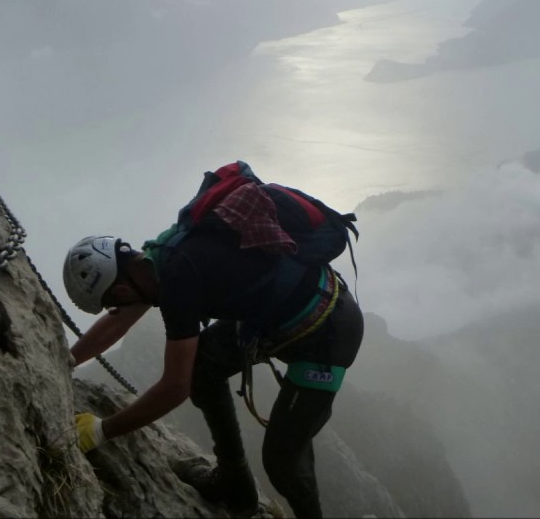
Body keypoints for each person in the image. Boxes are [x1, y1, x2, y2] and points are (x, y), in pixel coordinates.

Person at [64, 187, 364, 519]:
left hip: (329, 335)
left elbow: (175, 387)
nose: (116, 309)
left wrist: (102, 430)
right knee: (202, 367)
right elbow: (117, 323)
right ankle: (234, 484)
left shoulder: (178, 279)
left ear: (121, 289)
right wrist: (67, 359)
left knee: (282, 459)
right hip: (284, 315)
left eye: (112, 302)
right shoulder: (158, 254)